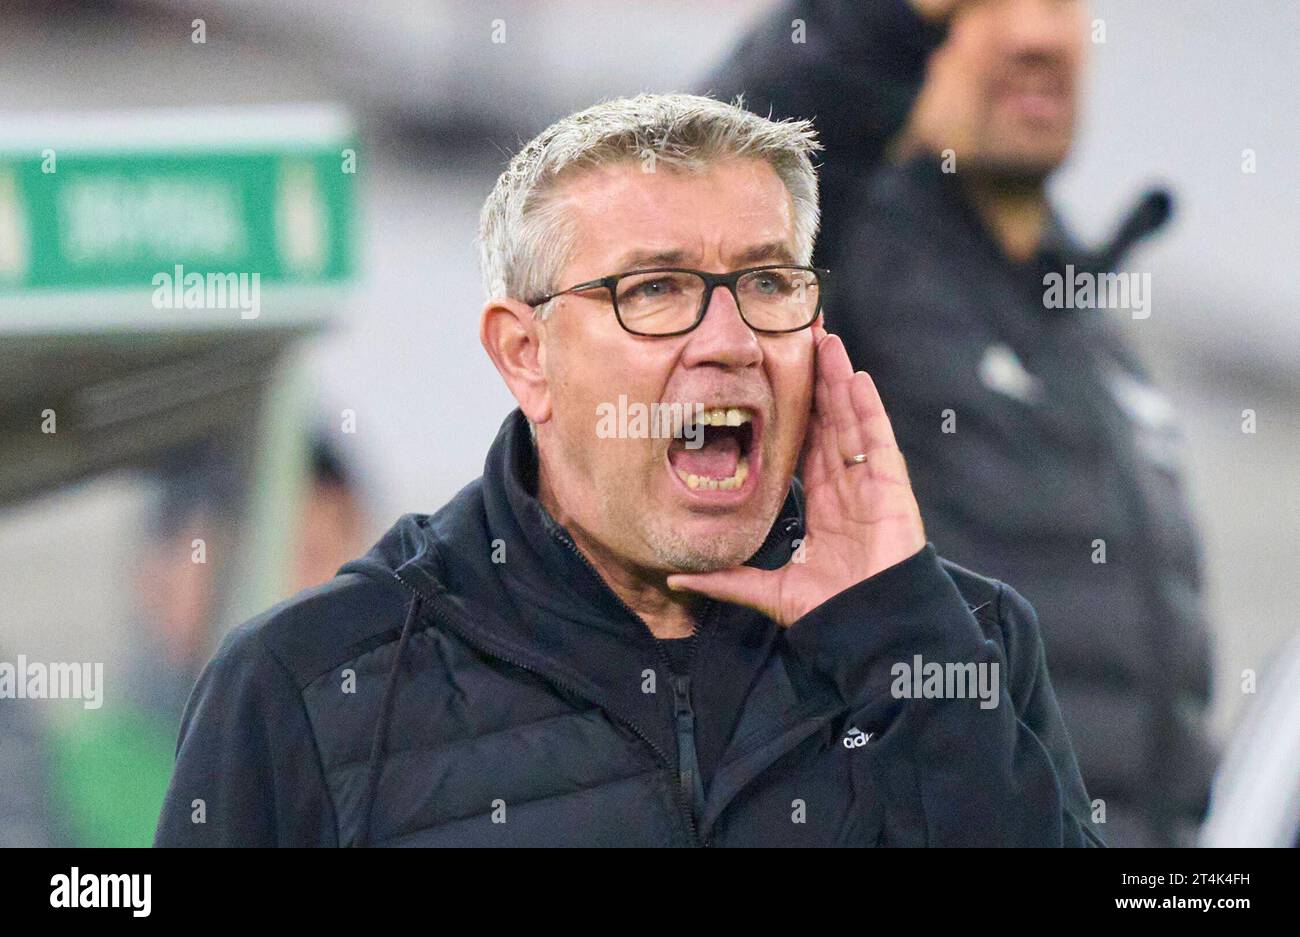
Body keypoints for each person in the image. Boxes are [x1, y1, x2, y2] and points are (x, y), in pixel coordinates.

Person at [155, 93, 1100, 847]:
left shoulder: (962, 643)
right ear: (527, 355)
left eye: (769, 282)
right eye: (656, 289)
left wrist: (901, 636)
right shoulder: (306, 685)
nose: (728, 340)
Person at [702, 0, 1214, 846]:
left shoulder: (1098, 338)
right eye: (981, 4)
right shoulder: (834, 278)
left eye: (1055, 2)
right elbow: (709, 186)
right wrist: (882, 19)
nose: (1035, 35)